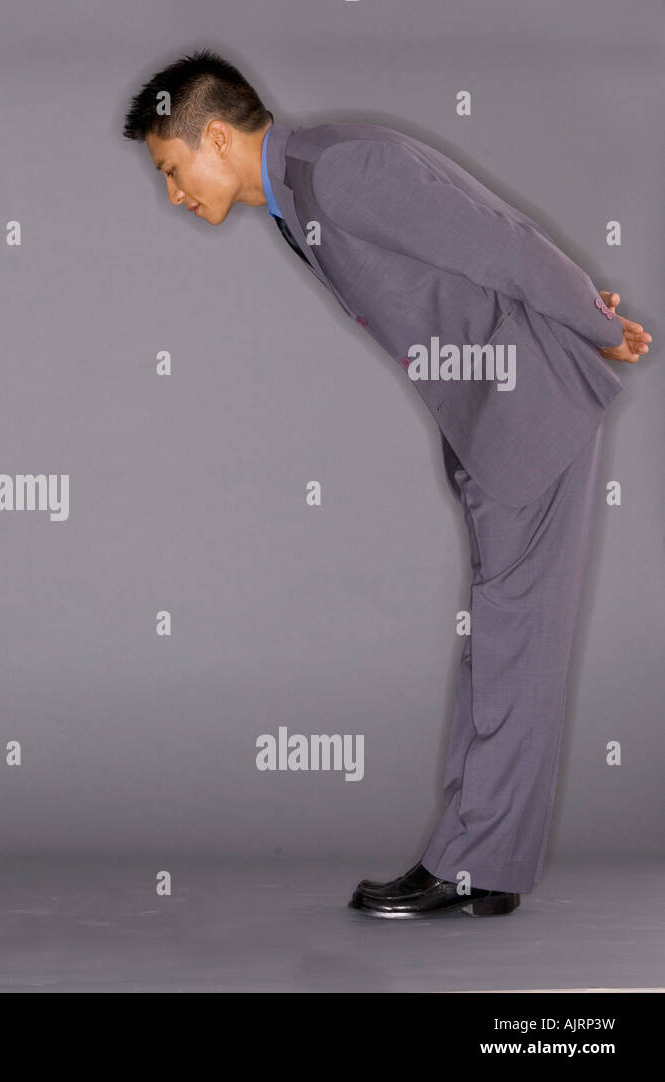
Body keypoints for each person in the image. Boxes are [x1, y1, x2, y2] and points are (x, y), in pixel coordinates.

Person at [123, 51, 649, 918]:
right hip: (490, 422)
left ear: (215, 135)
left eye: (173, 171)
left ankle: (472, 866)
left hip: (528, 413)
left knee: (515, 644)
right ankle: (481, 865)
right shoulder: (300, 191)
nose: (174, 194)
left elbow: (501, 240)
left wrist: (593, 321)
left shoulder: (342, 169)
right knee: (504, 643)